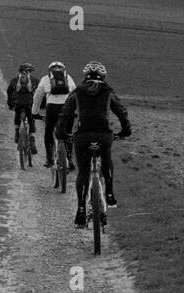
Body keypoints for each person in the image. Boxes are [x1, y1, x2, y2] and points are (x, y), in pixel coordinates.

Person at [55, 61, 131, 229]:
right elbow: (121, 111)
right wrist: (126, 131)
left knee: (83, 172)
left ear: (85, 76)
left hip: (82, 136)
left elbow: (65, 114)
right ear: (103, 76)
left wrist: (61, 133)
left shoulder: (77, 92)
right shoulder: (108, 91)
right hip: (104, 135)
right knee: (106, 158)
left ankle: (81, 209)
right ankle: (109, 193)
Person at [33, 61, 76, 170]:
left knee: (48, 131)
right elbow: (75, 93)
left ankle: (49, 159)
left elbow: (37, 96)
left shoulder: (45, 79)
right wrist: (74, 110)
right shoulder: (68, 78)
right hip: (67, 108)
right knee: (68, 132)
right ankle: (69, 160)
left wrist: (35, 112)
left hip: (52, 107)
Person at [6, 63, 39, 156]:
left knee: (17, 114)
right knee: (31, 120)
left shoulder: (14, 80)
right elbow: (40, 94)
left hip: (18, 104)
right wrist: (41, 105)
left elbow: (9, 92)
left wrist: (10, 104)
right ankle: (32, 139)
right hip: (30, 104)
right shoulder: (35, 80)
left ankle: (17, 132)